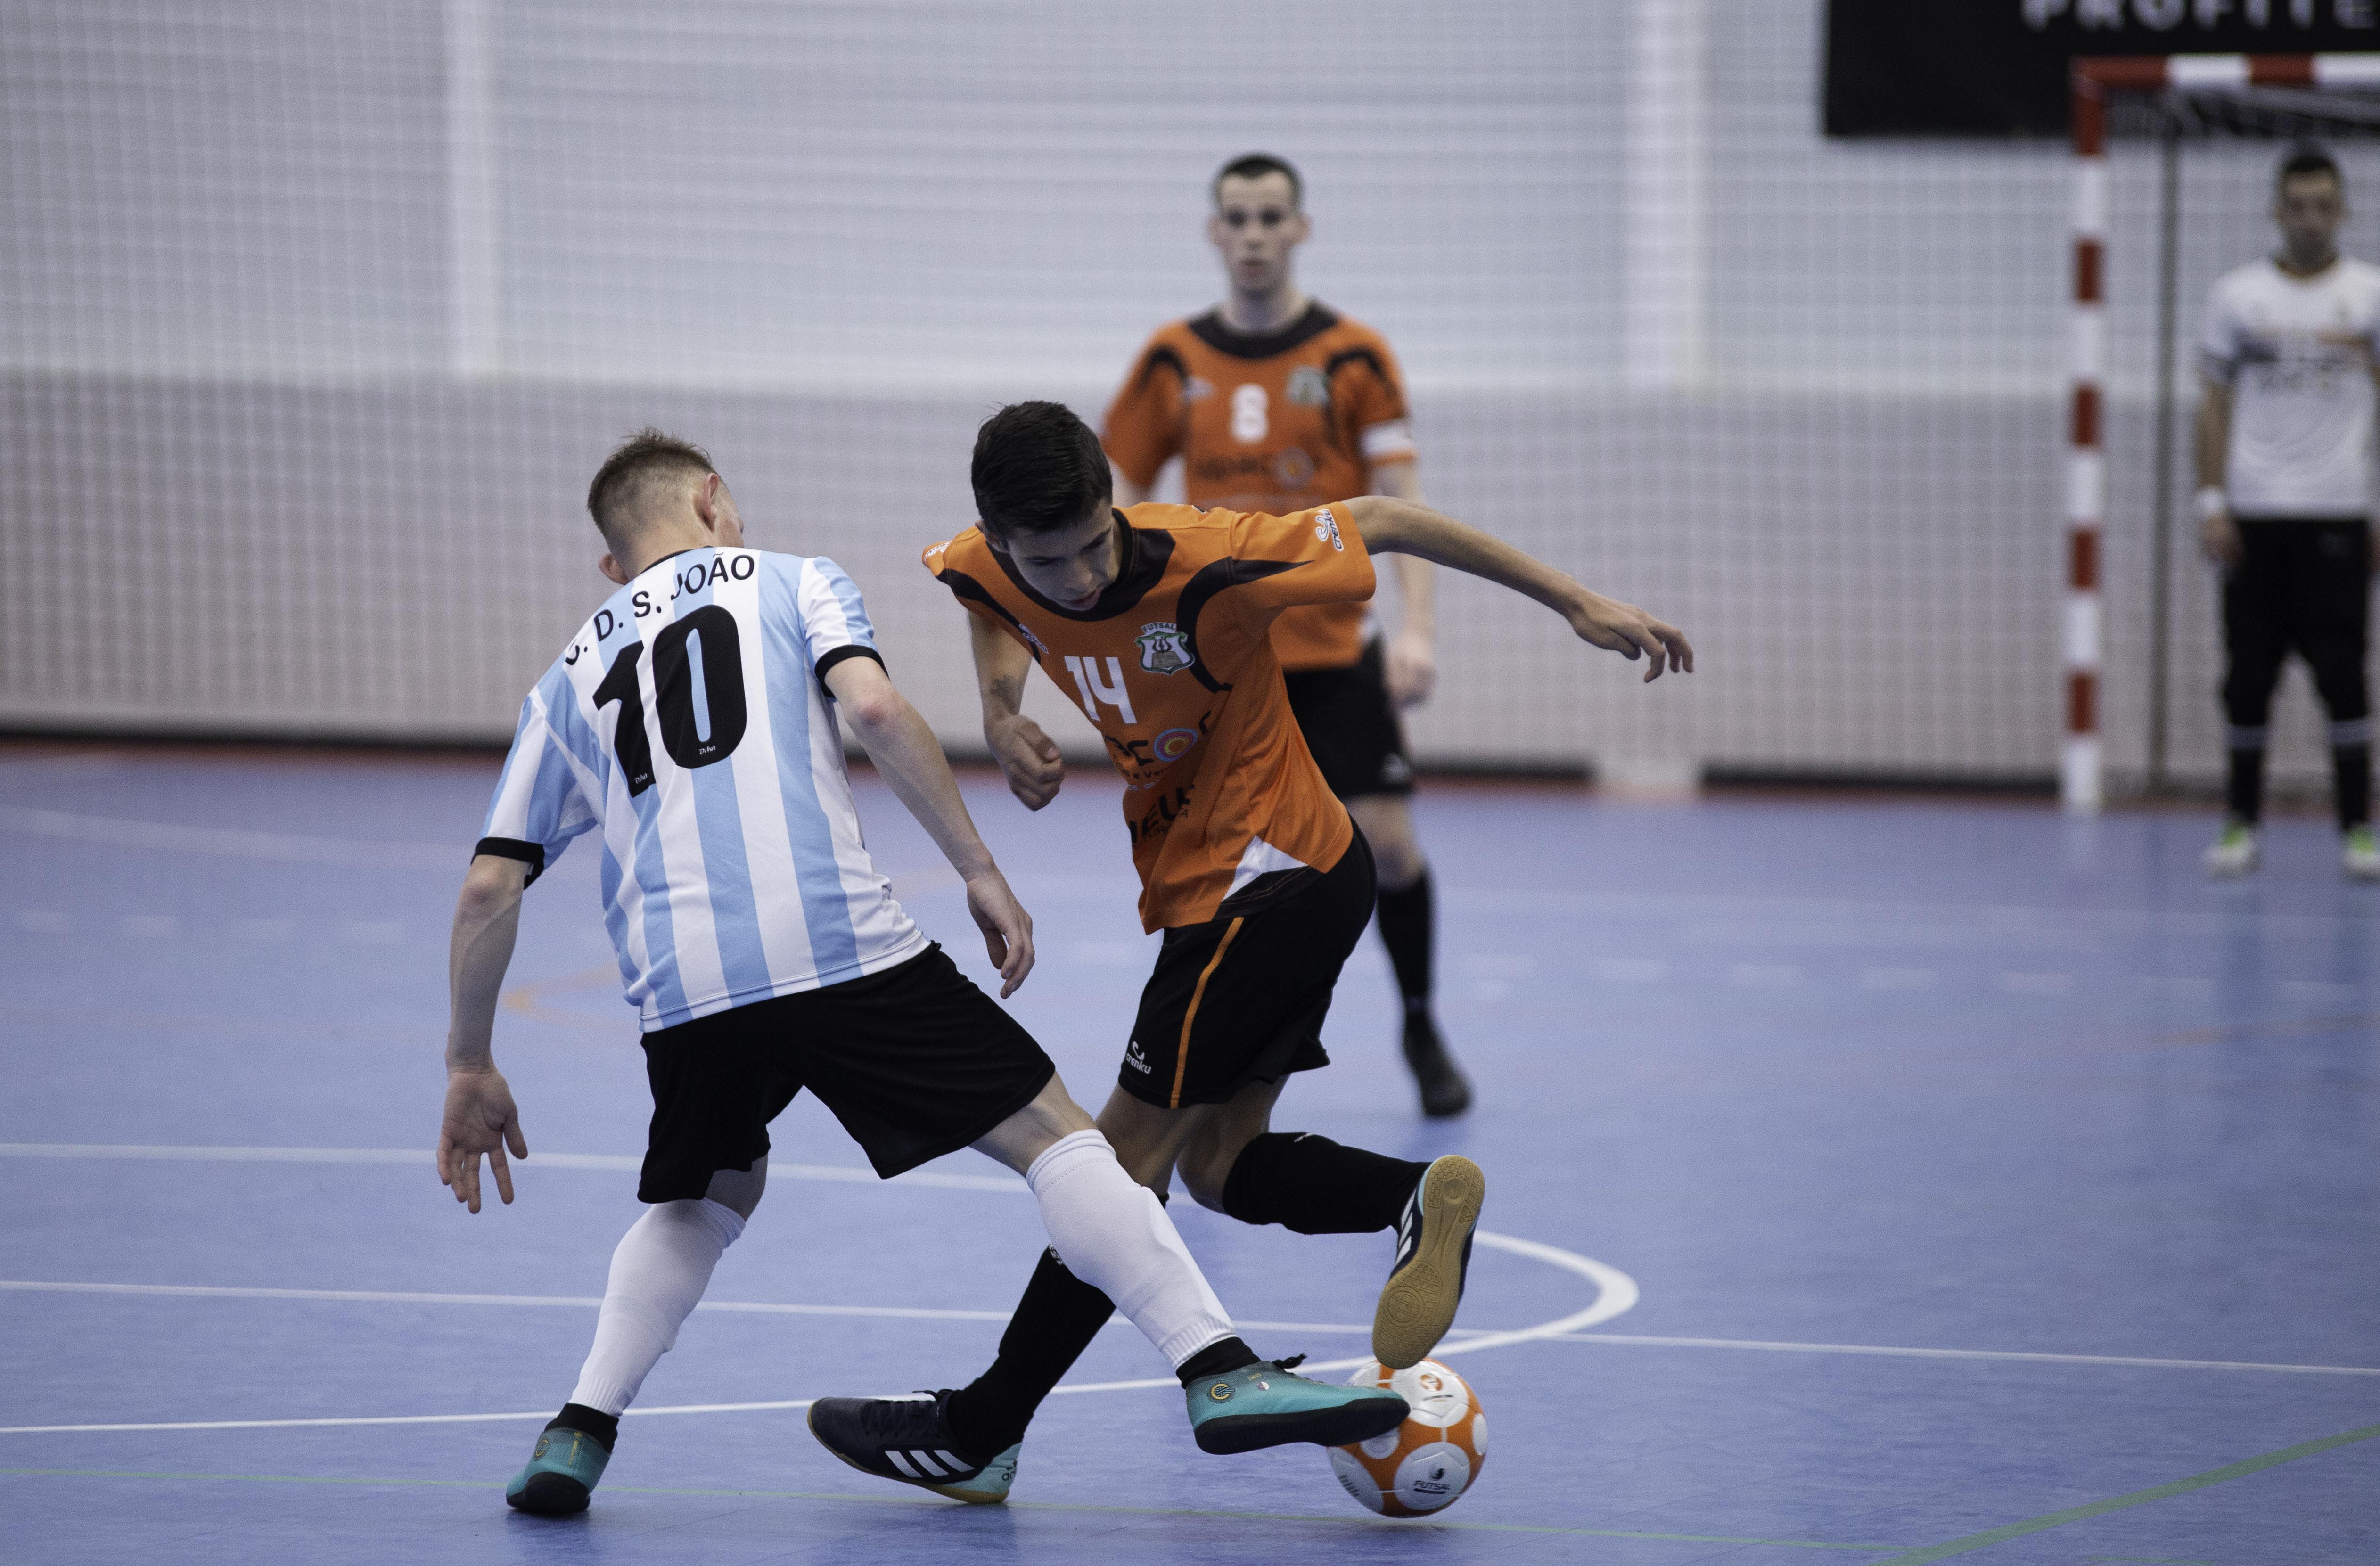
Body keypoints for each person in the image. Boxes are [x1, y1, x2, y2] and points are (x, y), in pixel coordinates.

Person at [435, 430, 1407, 1517]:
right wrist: (977, 870)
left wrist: (469, 1064)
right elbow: (875, 710)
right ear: (712, 501)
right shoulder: (791, 580)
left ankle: (579, 1429)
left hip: (682, 987)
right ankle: (1214, 1367)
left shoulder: (566, 677)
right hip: (836, 943)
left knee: (702, 1198)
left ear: (612, 566)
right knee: (1059, 1139)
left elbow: (488, 887)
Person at [805, 401, 1691, 1503]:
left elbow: (1386, 518)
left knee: (1113, 1166)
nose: (1077, 578)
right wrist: (1000, 712)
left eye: (1093, 545)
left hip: (1264, 878)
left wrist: (1575, 601)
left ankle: (982, 1428)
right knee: (1216, 1167)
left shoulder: (1212, 560)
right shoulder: (989, 562)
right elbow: (985, 599)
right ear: (1001, 537)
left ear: (1113, 505)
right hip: (1260, 884)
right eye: (1048, 561)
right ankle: (1410, 1195)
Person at [1103, 152, 1468, 1115]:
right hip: (1220, 663)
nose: (1254, 235)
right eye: (1238, 218)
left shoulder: (1353, 355)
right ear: (1214, 233)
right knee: (1222, 867)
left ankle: (1420, 1022)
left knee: (1388, 846)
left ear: (1300, 229)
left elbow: (1402, 502)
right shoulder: (1171, 360)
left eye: (1271, 217)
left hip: (1332, 650)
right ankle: (1215, 1059)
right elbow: (1115, 507)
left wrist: (1419, 630)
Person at [2197, 142, 2380, 879]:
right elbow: (2212, 405)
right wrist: (2210, 502)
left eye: (2322, 207)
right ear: (2276, 212)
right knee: (2247, 677)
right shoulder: (2236, 297)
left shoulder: (2368, 296)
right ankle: (2239, 825)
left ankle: (2357, 830)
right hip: (2255, 514)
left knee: (2342, 675)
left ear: (2342, 211)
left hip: (2337, 513)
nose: (2309, 220)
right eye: (2296, 207)